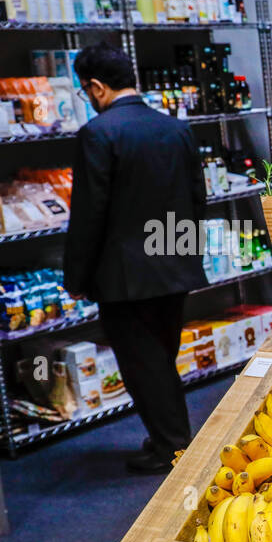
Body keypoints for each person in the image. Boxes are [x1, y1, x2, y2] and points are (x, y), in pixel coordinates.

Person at [64, 43, 207, 473]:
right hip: (173, 257)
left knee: (142, 364)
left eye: (85, 91)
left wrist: (77, 276)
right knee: (162, 355)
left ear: (96, 86)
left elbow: (90, 214)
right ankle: (172, 439)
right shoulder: (175, 129)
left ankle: (172, 447)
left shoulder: (99, 133)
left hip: (126, 273)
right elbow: (197, 199)